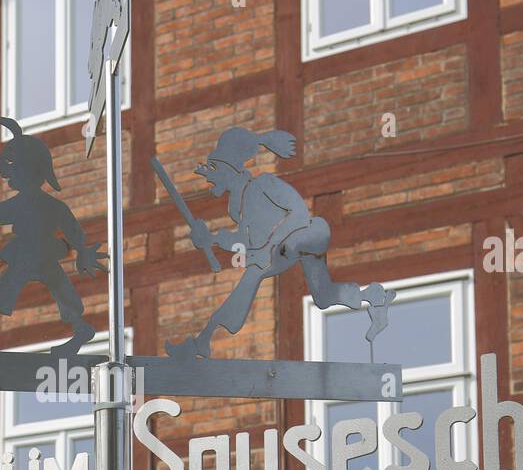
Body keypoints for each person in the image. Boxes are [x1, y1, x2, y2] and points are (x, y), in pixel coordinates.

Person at [164, 127, 394, 360]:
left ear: (231, 169)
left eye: (215, 169)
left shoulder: (263, 184)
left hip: (308, 233)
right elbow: (244, 242)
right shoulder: (238, 207)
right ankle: (373, 297)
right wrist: (211, 238)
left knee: (255, 271)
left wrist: (269, 247)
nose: (210, 177)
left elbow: (299, 214)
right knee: (323, 297)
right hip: (289, 248)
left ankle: (203, 341)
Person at [0, 117, 107, 355]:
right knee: (58, 290)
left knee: (11, 283)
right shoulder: (51, 205)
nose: (7, 176)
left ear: (27, 171)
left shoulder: (31, 203)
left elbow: (2, 214)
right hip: (42, 254)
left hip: (31, 254)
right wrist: (82, 251)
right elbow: (73, 230)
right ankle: (79, 328)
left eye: (12, 169)